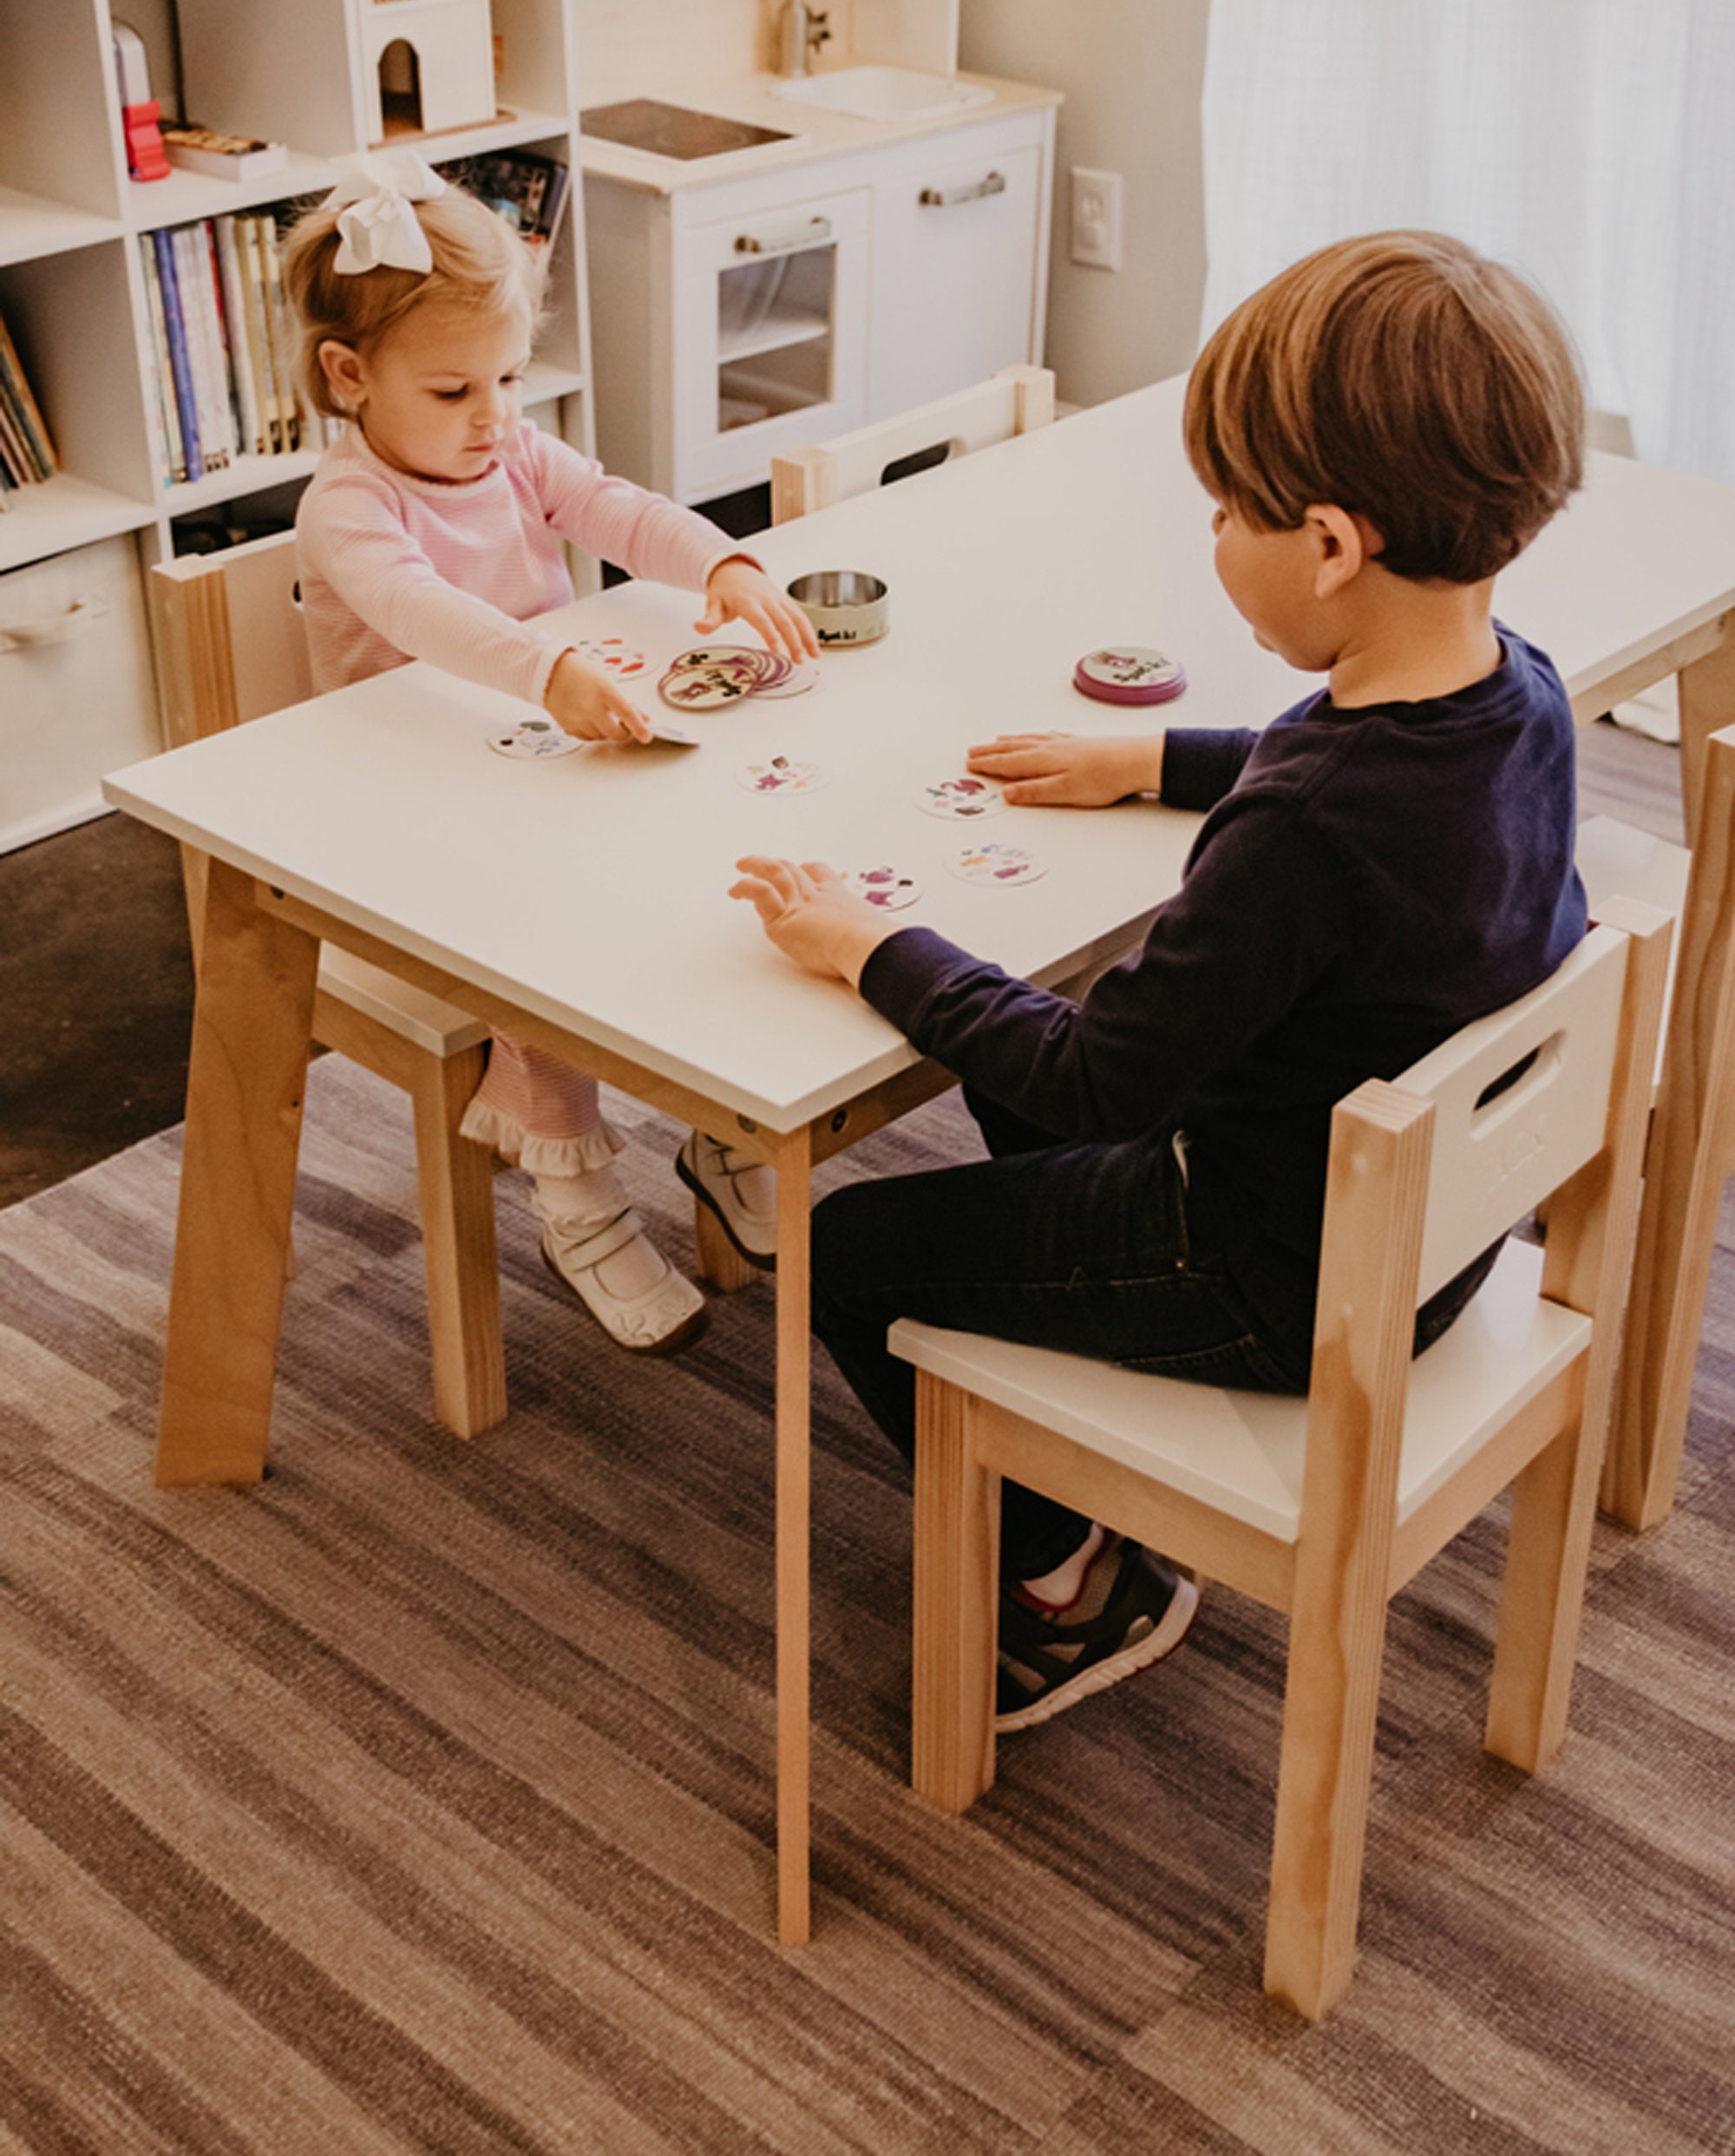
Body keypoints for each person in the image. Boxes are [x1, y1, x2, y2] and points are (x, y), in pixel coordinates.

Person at [730, 230, 1588, 1730]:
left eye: (1226, 513)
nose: (1211, 536)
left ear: (1328, 545)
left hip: (1265, 1270)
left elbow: (1092, 1075)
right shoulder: (1518, 688)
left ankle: (1070, 1582)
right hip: (1425, 1236)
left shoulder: (1305, 825)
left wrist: (876, 946)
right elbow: (1340, 781)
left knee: (851, 1247)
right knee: (1010, 1089)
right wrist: (1153, 759)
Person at [289, 154, 817, 1356]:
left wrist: (722, 563)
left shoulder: (513, 451)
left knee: (707, 864)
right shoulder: (349, 506)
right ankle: (575, 1196)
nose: (493, 416)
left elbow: (618, 509)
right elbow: (422, 613)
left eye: (511, 379)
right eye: (454, 389)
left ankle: (722, 1130)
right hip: (402, 812)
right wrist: (546, 669)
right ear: (349, 376)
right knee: (549, 929)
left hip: (531, 755)